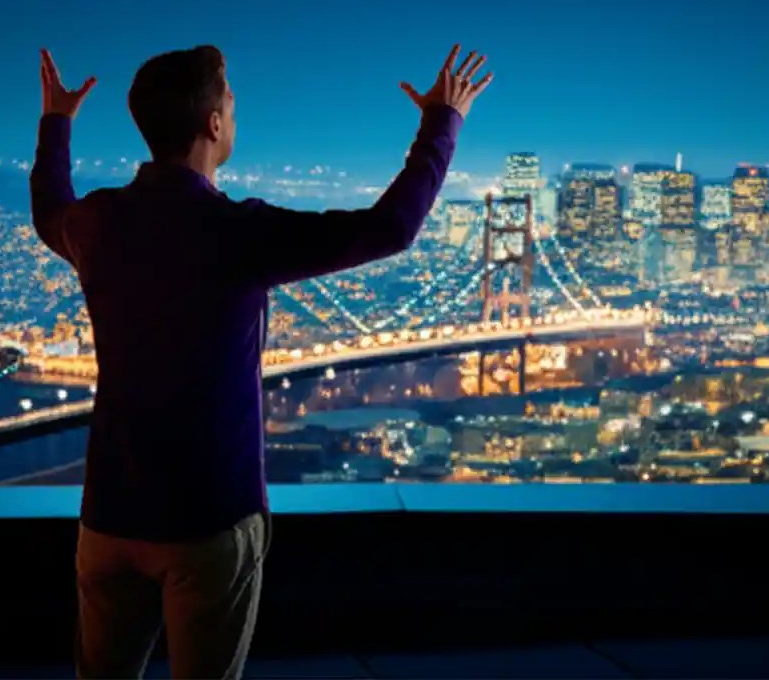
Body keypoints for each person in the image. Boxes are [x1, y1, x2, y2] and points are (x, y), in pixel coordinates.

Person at [31, 43, 492, 679]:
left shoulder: (97, 222)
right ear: (215, 125)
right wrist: (442, 122)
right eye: (232, 104)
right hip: (211, 519)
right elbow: (390, 228)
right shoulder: (239, 232)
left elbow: (48, 210)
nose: (234, 116)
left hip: (108, 520)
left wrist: (56, 122)